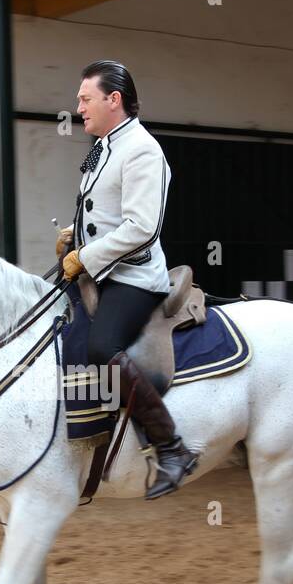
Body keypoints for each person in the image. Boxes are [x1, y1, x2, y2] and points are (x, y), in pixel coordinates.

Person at [57, 60, 199, 500]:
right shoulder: (103, 146)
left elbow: (141, 227)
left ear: (112, 100)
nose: (78, 107)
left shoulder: (142, 149)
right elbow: (102, 211)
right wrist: (73, 237)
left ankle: (171, 447)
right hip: (100, 269)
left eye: (85, 98)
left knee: (103, 346)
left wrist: (86, 254)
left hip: (134, 276)